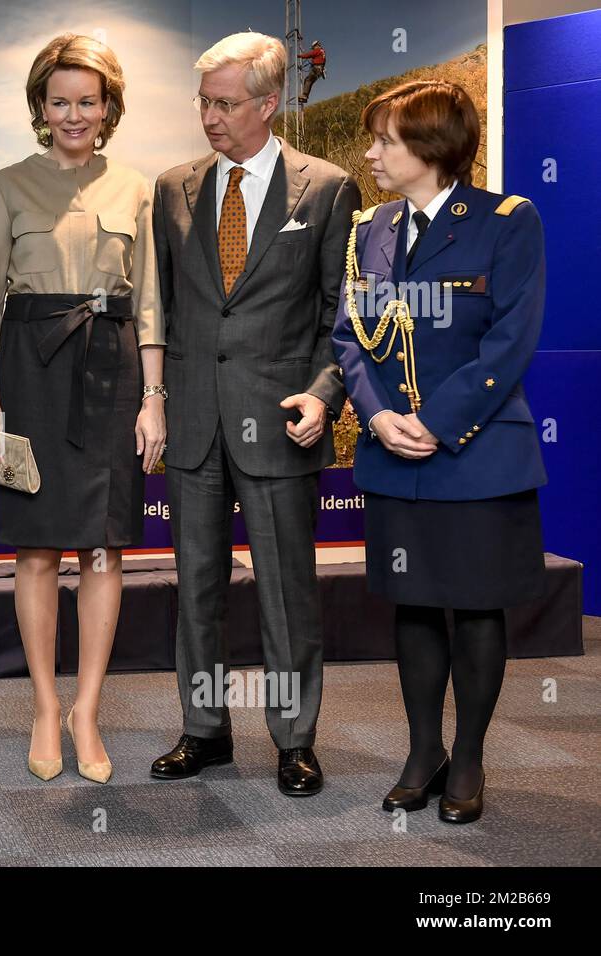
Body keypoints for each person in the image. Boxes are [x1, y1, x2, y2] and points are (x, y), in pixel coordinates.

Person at [150, 32, 360, 796]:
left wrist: (326, 396)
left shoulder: (329, 188)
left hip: (281, 421)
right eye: (203, 101)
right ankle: (204, 731)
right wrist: (157, 402)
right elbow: (166, 311)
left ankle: (295, 740)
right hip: (196, 424)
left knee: (286, 592)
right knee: (195, 589)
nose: (209, 116)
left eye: (225, 103)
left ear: (268, 104)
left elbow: (343, 318)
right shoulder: (172, 187)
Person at [332, 80, 547, 824]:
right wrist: (378, 415)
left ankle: (472, 757)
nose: (372, 153)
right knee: (414, 605)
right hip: (394, 449)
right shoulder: (371, 231)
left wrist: (436, 420)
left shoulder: (507, 223)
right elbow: (349, 337)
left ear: (430, 145)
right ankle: (424, 753)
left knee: (477, 606)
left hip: (477, 450)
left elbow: (510, 340)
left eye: (385, 140)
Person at [0, 34, 165, 785]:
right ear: (39, 108)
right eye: (60, 102)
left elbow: (149, 304)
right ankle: (45, 706)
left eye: (88, 101)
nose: (73, 115)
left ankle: (88, 709)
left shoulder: (138, 188)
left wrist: (155, 400)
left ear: (108, 107)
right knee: (37, 548)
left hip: (111, 373)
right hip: (28, 375)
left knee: (105, 546)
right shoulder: (6, 184)